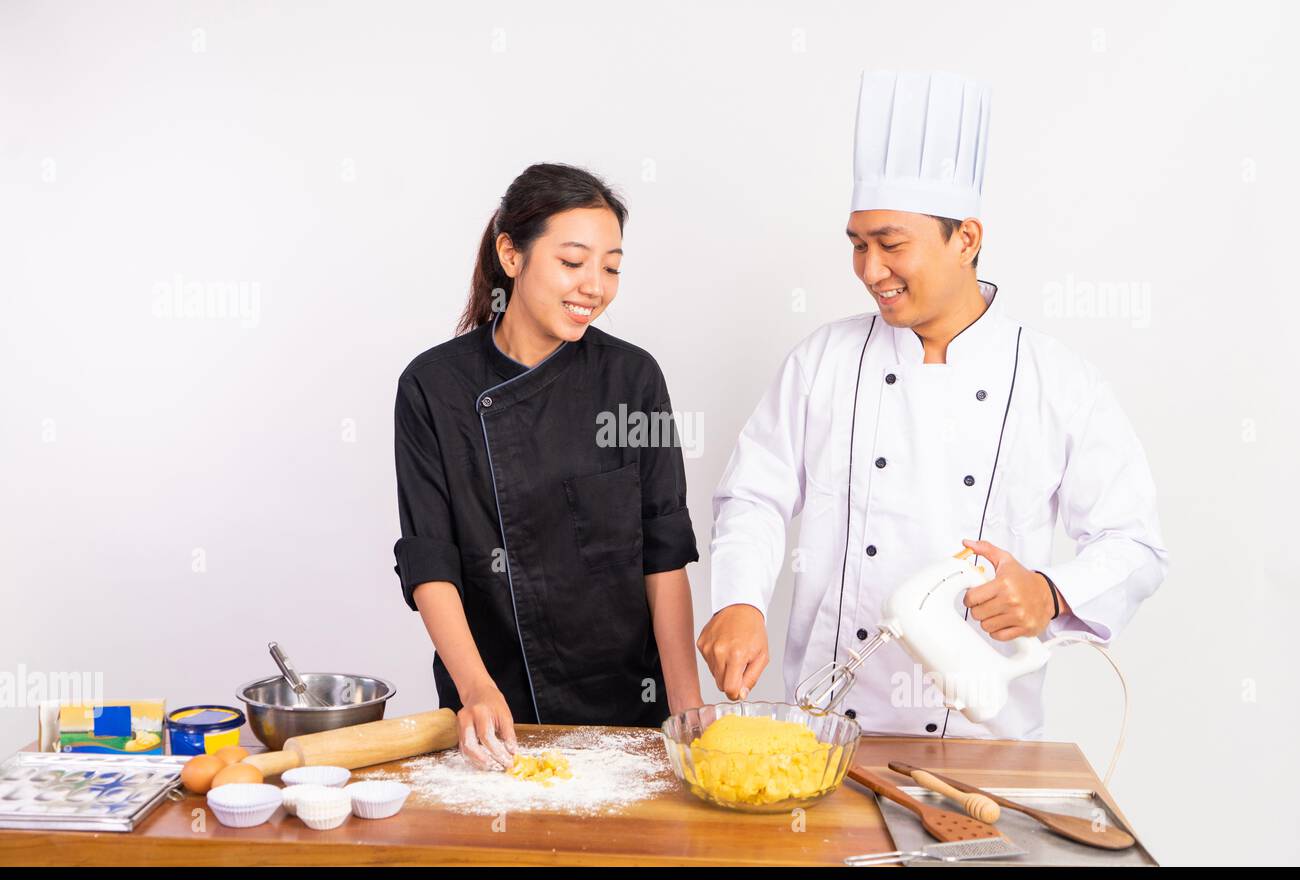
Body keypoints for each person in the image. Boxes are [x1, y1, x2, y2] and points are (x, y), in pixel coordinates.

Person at [698, 71, 1169, 739]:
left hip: (987, 748)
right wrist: (739, 601)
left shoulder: (1057, 381)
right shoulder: (823, 361)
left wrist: (1052, 592)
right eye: (858, 246)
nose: (869, 270)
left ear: (966, 239)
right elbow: (754, 495)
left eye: (891, 245)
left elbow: (1136, 544)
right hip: (827, 736)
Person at [393, 163, 701, 770]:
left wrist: (687, 707)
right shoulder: (433, 386)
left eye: (610, 267)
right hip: (496, 706)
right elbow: (430, 558)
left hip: (625, 707)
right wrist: (476, 689)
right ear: (512, 254)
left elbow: (663, 552)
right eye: (572, 262)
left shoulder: (634, 379)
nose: (595, 286)